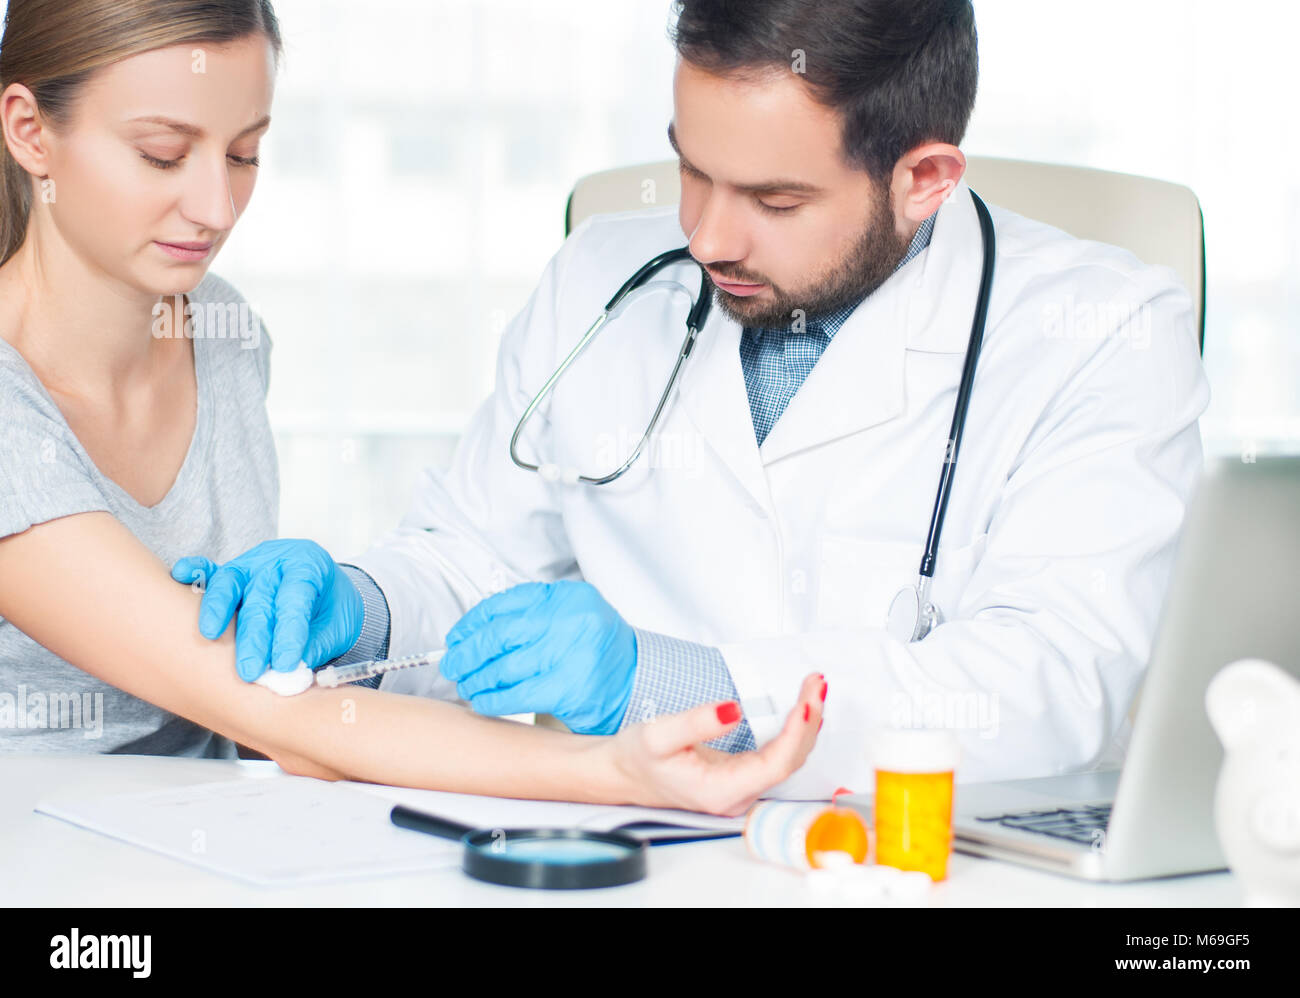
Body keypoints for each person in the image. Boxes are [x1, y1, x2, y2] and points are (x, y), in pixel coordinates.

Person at [186, 0, 1211, 798]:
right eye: (690, 168)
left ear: (925, 178)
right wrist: (359, 609)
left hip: (928, 868)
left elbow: (1052, 680)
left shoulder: (1103, 332)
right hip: (638, 857)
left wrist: (663, 681)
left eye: (774, 200)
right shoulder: (602, 281)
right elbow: (473, 559)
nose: (708, 236)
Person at [0, 0, 827, 816]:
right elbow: (284, 719)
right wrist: (617, 769)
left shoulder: (224, 337)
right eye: (162, 154)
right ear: (31, 132)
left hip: (203, 831)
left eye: (245, 154)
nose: (217, 208)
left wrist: (345, 622)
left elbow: (277, 700)